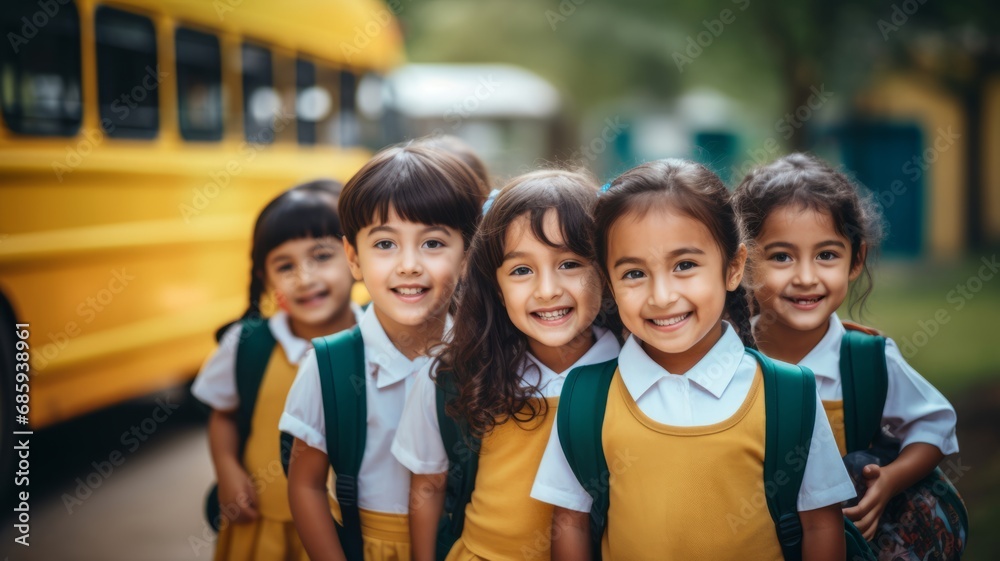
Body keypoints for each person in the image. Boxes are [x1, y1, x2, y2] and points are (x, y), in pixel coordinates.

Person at [532, 159, 856, 560]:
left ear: (733, 267)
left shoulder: (790, 394)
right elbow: (570, 522)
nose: (662, 296)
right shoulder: (586, 399)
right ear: (608, 283)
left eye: (685, 265)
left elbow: (821, 522)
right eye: (634, 273)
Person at [733, 153, 962, 557]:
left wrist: (889, 479)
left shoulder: (867, 360)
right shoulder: (727, 356)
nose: (806, 277)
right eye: (782, 256)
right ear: (744, 263)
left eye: (826, 255)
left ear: (856, 259)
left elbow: (935, 427)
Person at [392, 170, 621, 560]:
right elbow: (428, 483)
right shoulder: (456, 374)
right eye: (521, 270)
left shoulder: (634, 376)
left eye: (569, 263)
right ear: (495, 287)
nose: (547, 289)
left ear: (605, 270)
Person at [280, 144, 483, 561]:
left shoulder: (482, 358)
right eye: (385, 244)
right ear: (353, 257)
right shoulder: (330, 366)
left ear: (467, 256)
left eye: (432, 243)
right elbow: (305, 483)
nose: (409, 265)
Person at [192, 179, 362, 561]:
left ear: (355, 259)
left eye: (321, 256)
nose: (305, 277)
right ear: (264, 279)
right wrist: (228, 470)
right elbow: (224, 415)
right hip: (264, 524)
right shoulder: (247, 344)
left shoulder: (380, 338)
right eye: (284, 266)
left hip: (348, 527)